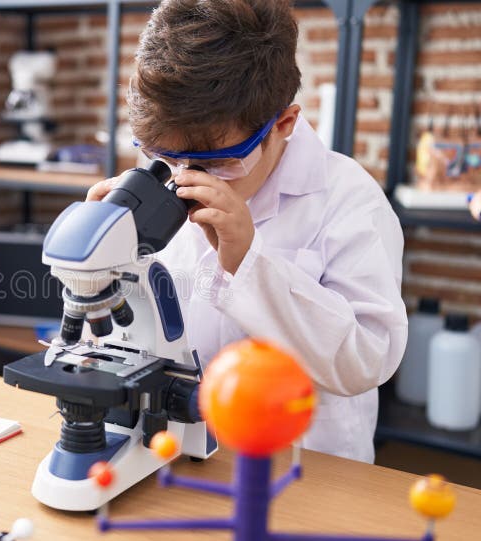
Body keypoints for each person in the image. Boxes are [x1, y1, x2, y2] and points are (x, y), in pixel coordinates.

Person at [86, 0, 407, 463]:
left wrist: (249, 263)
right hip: (176, 454)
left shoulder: (349, 199)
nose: (186, 178)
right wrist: (101, 260)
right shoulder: (167, 172)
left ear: (283, 123)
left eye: (218, 162)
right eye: (165, 158)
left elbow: (368, 360)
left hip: (304, 466)